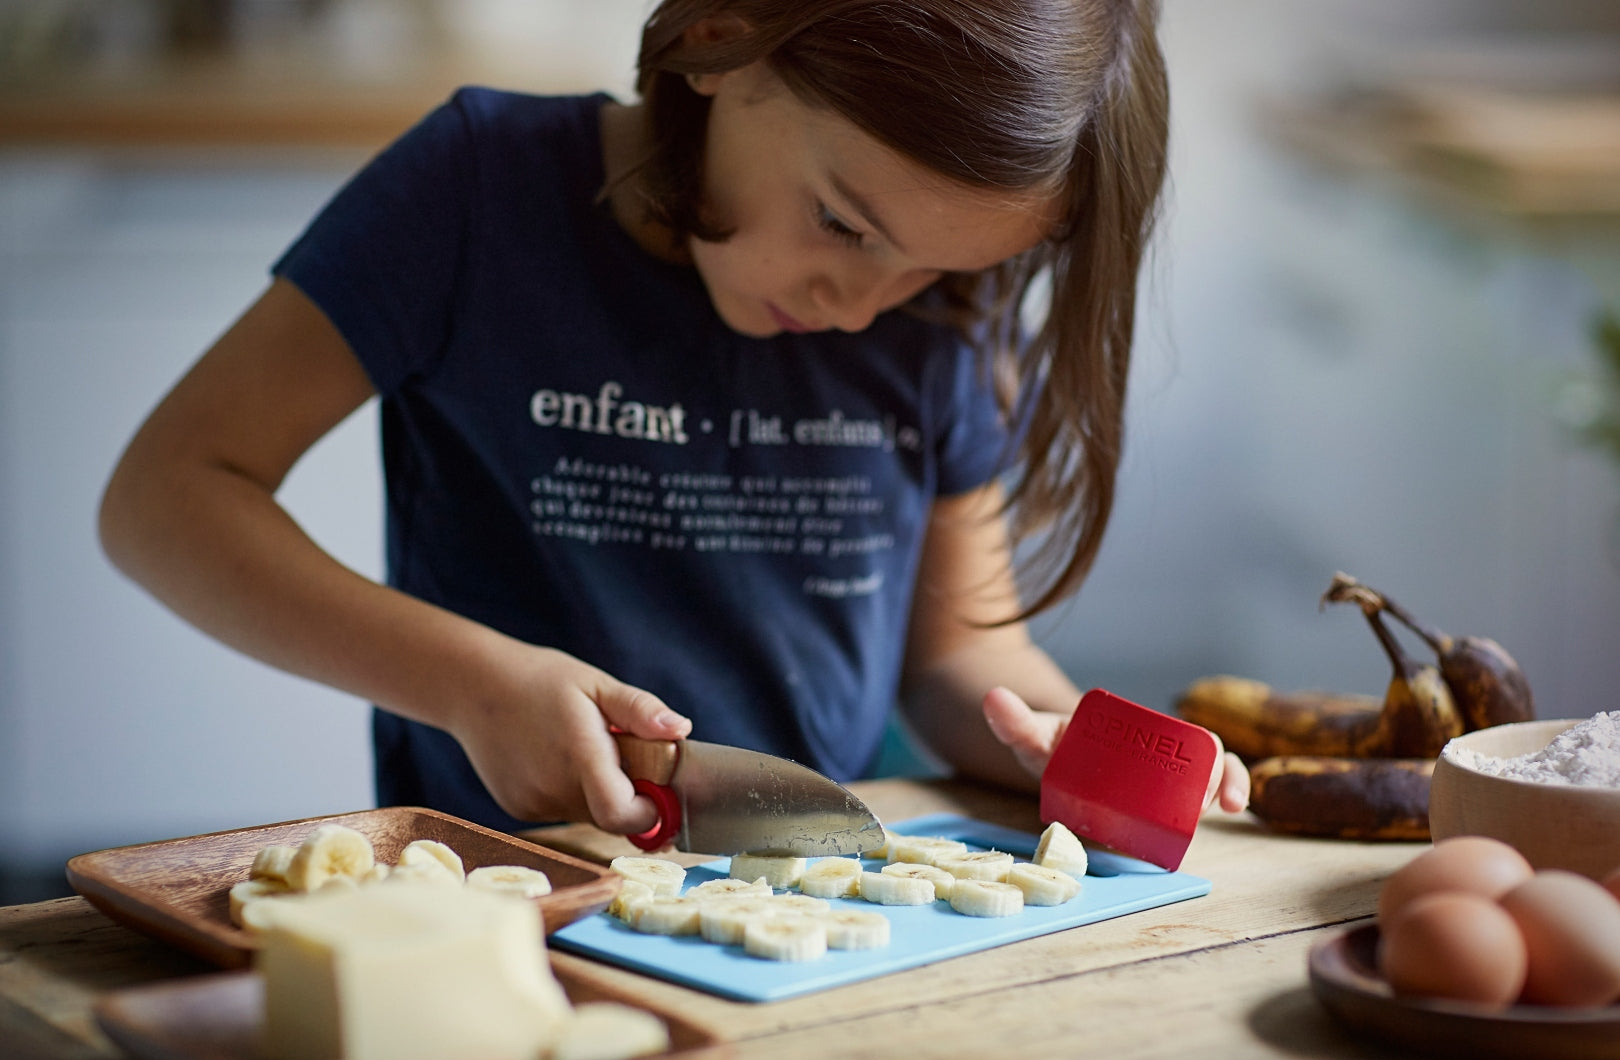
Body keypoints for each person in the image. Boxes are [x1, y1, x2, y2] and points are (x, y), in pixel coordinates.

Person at [99, 0, 1249, 842]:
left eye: (931, 271)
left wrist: (1075, 746)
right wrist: (470, 684)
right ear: (716, 36)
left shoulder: (941, 304)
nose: (859, 308)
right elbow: (167, 497)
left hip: (814, 908)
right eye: (843, 225)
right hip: (495, 899)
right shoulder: (475, 194)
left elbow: (962, 652)